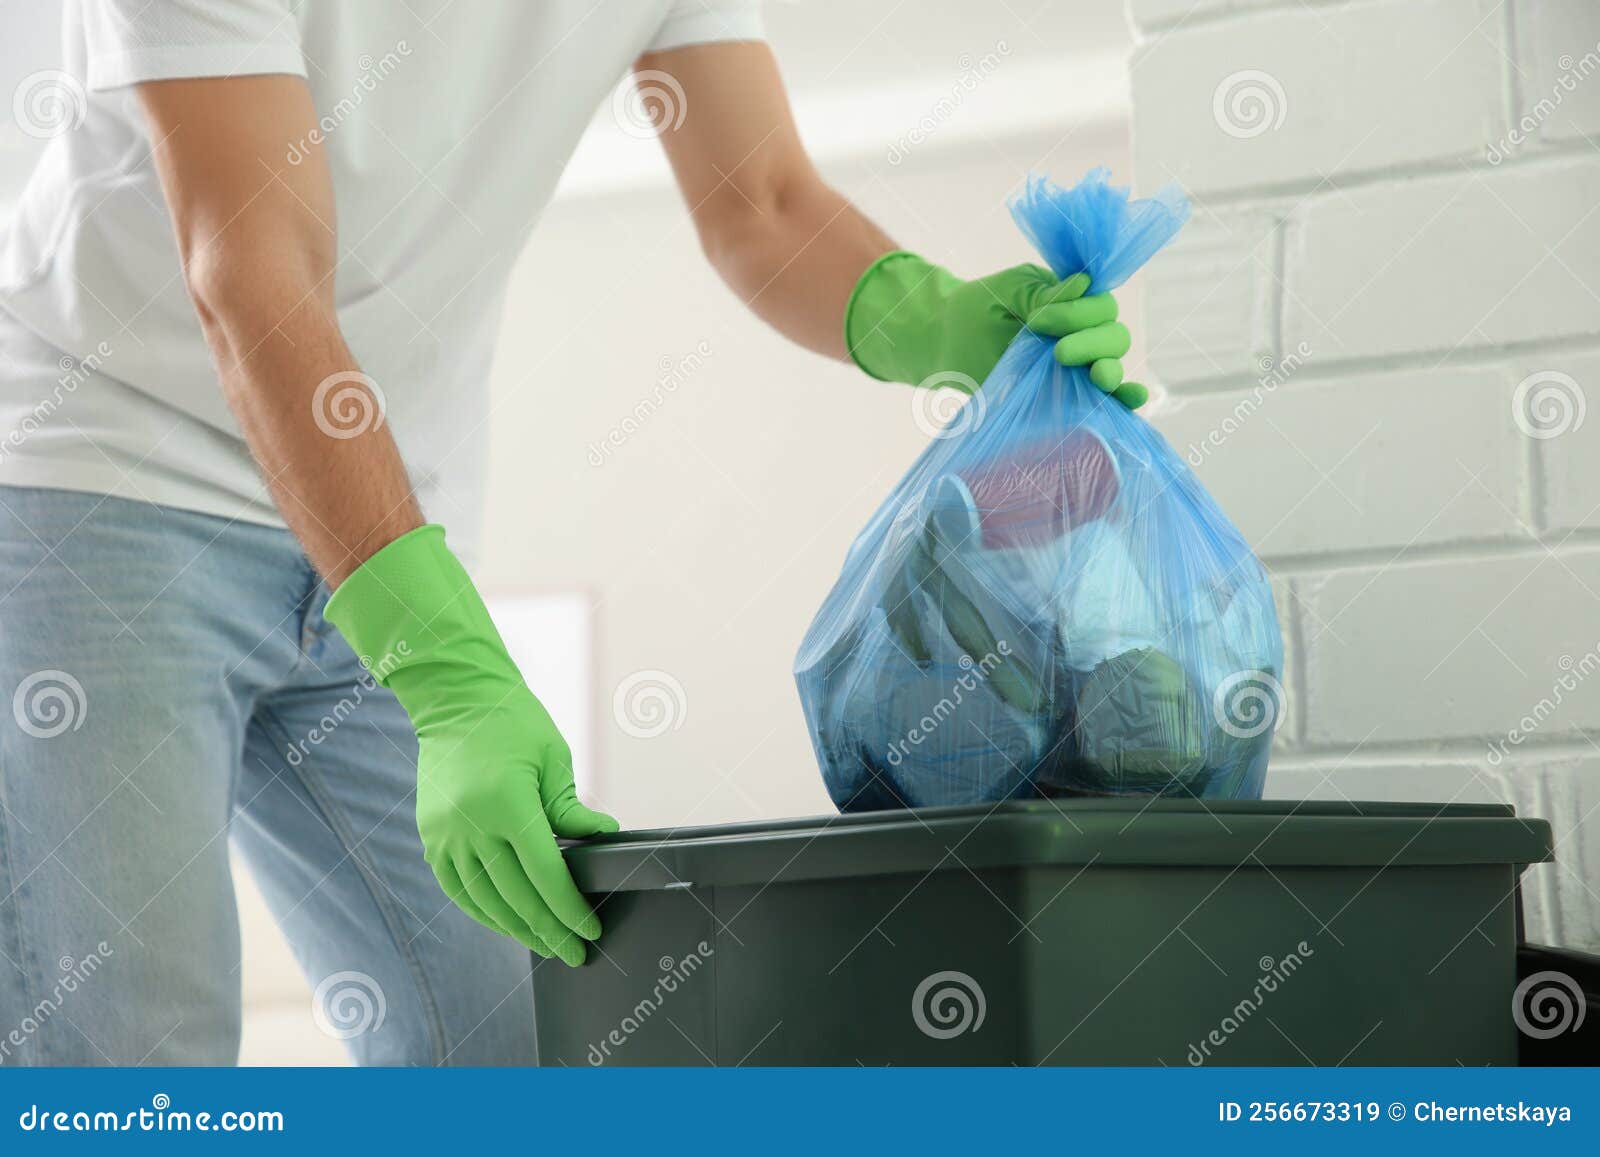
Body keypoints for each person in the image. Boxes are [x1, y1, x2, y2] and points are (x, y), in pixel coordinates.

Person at [0, 0, 1141, 1065]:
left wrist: (929, 316)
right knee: (128, 1055)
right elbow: (252, 274)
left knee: (524, 1039)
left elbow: (765, 205)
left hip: (383, 509)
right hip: (97, 486)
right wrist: (444, 668)